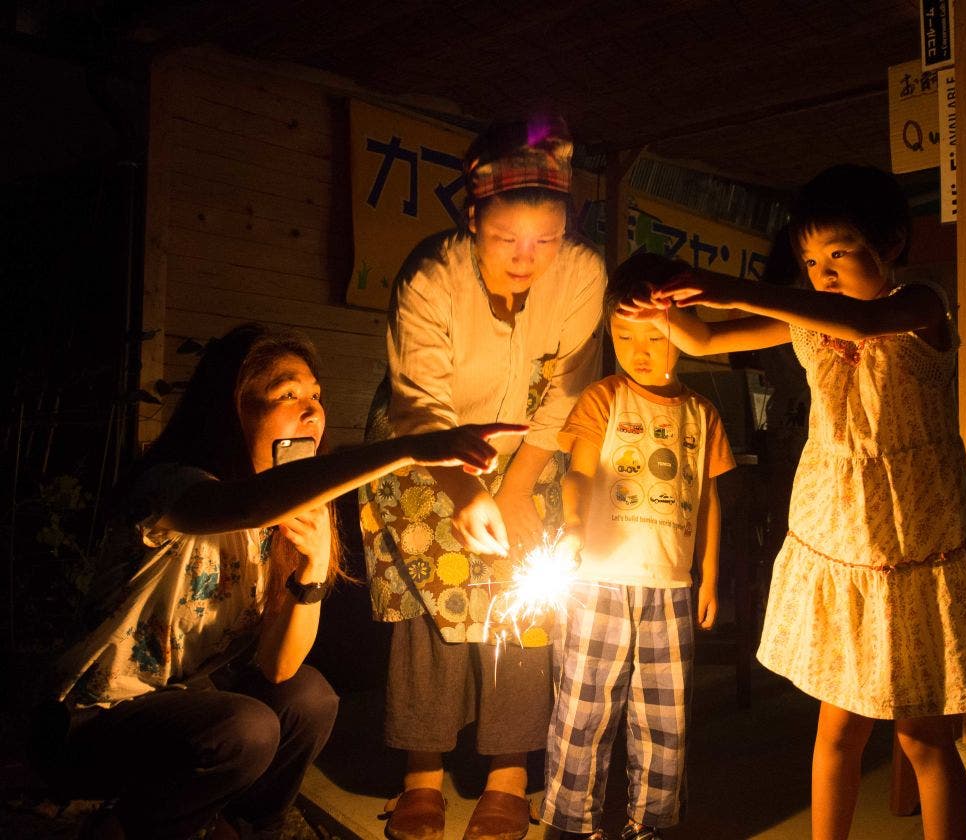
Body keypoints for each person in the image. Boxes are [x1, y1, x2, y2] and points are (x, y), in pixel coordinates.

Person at [621, 165, 966, 840]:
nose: (822, 274)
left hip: (913, 557)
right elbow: (704, 339)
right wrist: (662, 305)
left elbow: (865, 318)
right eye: (811, 261)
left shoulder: (921, 305)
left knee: (924, 739)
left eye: (838, 254)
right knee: (835, 733)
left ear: (892, 242)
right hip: (839, 552)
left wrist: (731, 287)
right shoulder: (807, 324)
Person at [32, 323, 522, 840]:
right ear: (232, 409)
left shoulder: (285, 523)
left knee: (310, 697)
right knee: (245, 727)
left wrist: (311, 572)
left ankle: (250, 825)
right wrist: (409, 449)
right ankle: (129, 827)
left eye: (316, 395)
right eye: (287, 394)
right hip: (91, 720)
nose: (312, 410)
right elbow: (248, 504)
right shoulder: (172, 488)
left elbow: (278, 666)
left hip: (192, 704)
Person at [359, 116, 606, 840]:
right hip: (422, 450)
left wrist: (518, 486)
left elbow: (568, 391)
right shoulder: (432, 275)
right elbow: (419, 400)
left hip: (533, 447)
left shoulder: (582, 273)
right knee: (432, 594)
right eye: (507, 240)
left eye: (547, 239)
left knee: (526, 600)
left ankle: (508, 772)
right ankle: (422, 772)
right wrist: (468, 492)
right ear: (472, 220)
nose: (528, 258)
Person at [540, 252, 736, 840]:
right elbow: (575, 473)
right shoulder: (602, 399)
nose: (637, 349)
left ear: (684, 334)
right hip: (598, 581)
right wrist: (572, 525)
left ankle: (649, 823)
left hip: (671, 589)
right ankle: (571, 822)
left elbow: (709, 501)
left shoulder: (703, 415)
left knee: (664, 717)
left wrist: (709, 575)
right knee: (583, 709)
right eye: (623, 336)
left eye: (652, 336)